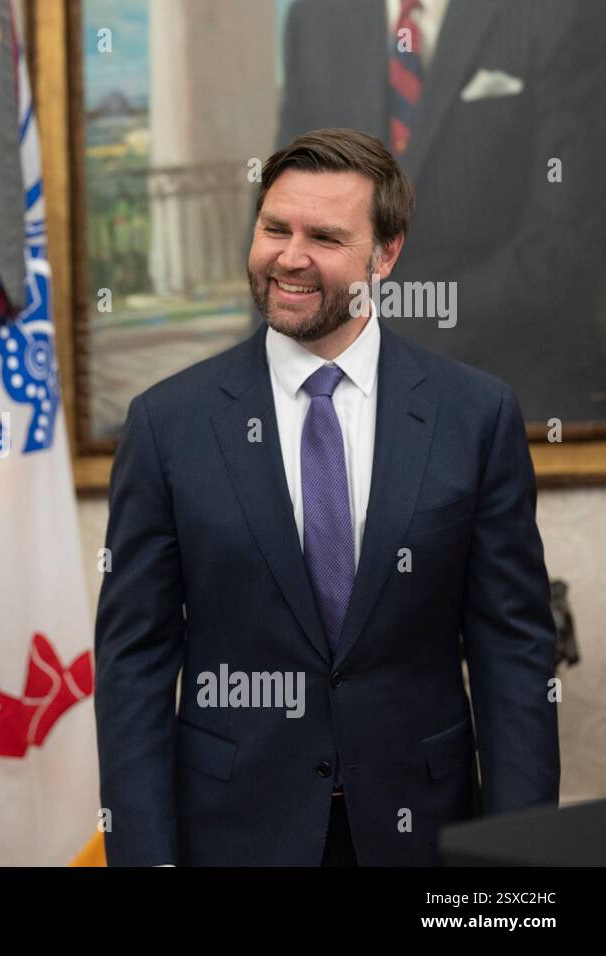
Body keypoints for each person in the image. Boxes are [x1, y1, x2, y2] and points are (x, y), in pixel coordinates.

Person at [95, 129, 559, 866]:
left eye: (325, 236)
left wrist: (520, 870)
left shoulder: (474, 416)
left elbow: (513, 654)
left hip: (424, 834)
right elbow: (133, 666)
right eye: (275, 228)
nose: (289, 256)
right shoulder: (166, 425)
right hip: (234, 834)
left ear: (386, 255)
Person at [275, 0, 606, 421]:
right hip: (343, 399)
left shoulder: (562, 12)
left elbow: (563, 244)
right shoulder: (317, 17)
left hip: (519, 394)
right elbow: (284, 221)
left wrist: (383, 317)